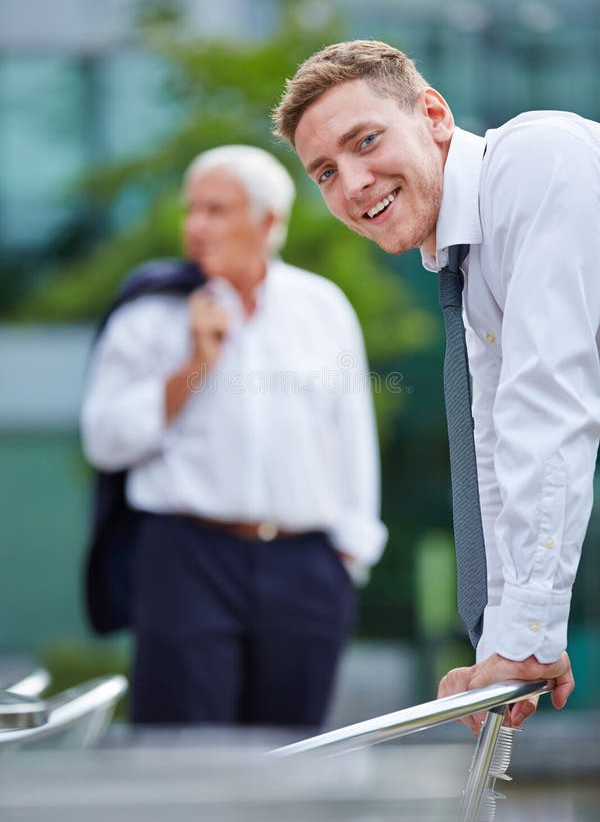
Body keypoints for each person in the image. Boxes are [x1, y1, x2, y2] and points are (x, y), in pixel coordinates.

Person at [272, 39, 600, 734]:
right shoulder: (466, 263)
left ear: (434, 114)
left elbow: (549, 408)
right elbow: (496, 447)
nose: (353, 183)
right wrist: (504, 646)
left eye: (366, 141)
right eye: (325, 172)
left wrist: (525, 639)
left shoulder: (536, 164)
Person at [81, 144, 386, 727]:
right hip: (187, 556)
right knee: (184, 763)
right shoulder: (149, 313)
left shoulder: (323, 308)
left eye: (217, 210)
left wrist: (350, 552)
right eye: (191, 209)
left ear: (268, 222)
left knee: (292, 758)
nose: (196, 226)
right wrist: (194, 364)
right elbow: (104, 440)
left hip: (307, 565)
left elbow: (350, 437)